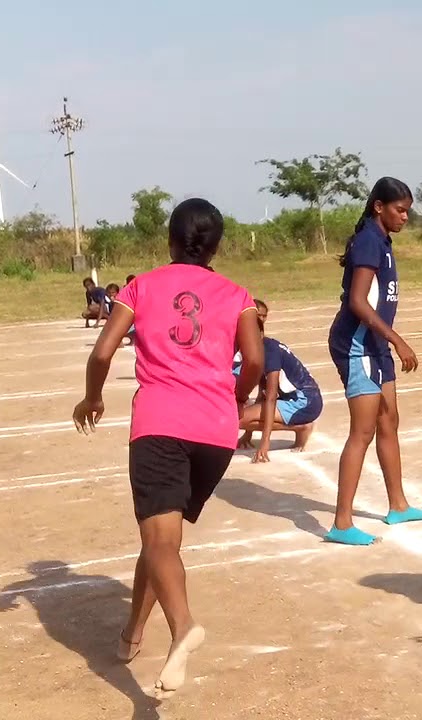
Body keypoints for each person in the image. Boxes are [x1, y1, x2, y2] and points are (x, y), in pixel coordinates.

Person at [71, 197, 264, 696]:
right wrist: (232, 398)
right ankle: (132, 631)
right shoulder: (237, 293)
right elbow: (256, 361)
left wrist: (91, 399)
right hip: (216, 433)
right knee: (161, 542)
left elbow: (102, 350)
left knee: (160, 542)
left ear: (170, 241)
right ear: (217, 245)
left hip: (160, 424)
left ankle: (183, 628)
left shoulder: (141, 286)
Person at [325, 177, 422, 546]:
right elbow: (358, 301)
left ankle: (398, 505)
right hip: (357, 346)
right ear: (379, 206)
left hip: (374, 345)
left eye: (407, 210)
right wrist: (397, 340)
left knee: (389, 421)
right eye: (399, 210)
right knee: (363, 430)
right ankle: (342, 522)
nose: (405, 217)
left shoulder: (382, 240)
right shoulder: (369, 242)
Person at [235, 299, 323, 458]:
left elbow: (270, 398)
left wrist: (264, 443)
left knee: (237, 418)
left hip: (306, 402)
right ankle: (299, 427)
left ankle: (301, 427)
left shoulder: (269, 351)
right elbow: (262, 393)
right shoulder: (260, 350)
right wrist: (247, 435)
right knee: (240, 416)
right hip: (296, 399)